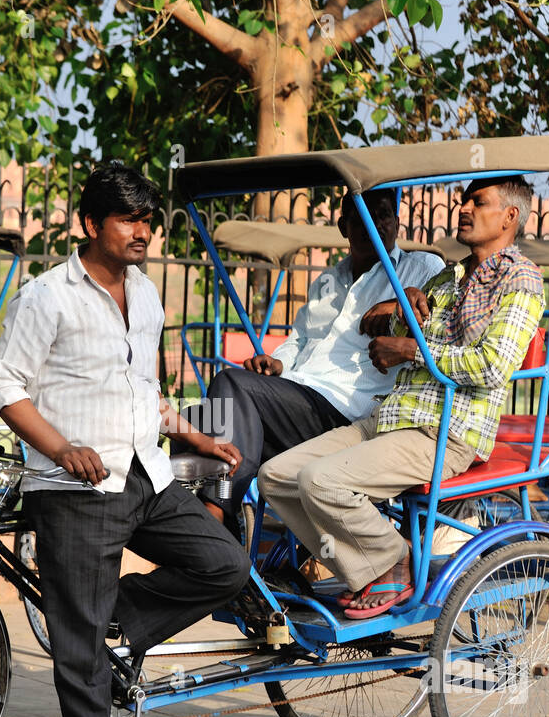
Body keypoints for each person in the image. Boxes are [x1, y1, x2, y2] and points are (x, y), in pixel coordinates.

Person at [0, 162, 252, 717]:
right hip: (74, 486)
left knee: (225, 564)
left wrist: (198, 437)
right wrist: (58, 448)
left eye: (149, 221)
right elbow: (4, 387)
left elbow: (143, 393)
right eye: (128, 219)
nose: (142, 232)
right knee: (78, 652)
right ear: (90, 224)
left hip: (145, 475)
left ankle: (108, 619)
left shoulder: (149, 295)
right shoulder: (46, 297)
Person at [258, 175, 546, 618]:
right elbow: (390, 336)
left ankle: (392, 561)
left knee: (321, 481)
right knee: (276, 476)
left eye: (479, 202)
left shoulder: (520, 280)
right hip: (390, 417)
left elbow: (490, 366)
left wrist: (411, 348)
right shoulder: (450, 277)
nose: (465, 208)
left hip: (446, 428)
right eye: (464, 200)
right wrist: (399, 308)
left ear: (510, 216)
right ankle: (370, 564)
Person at [179, 189, 445, 531]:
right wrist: (278, 363)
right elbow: (300, 339)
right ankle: (198, 523)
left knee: (230, 383)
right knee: (193, 416)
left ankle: (213, 519)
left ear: (396, 221)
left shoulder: (421, 268)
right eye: (362, 217)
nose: (375, 225)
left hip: (346, 408)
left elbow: (437, 318)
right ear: (343, 226)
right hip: (298, 392)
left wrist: (400, 303)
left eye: (383, 215)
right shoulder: (328, 281)